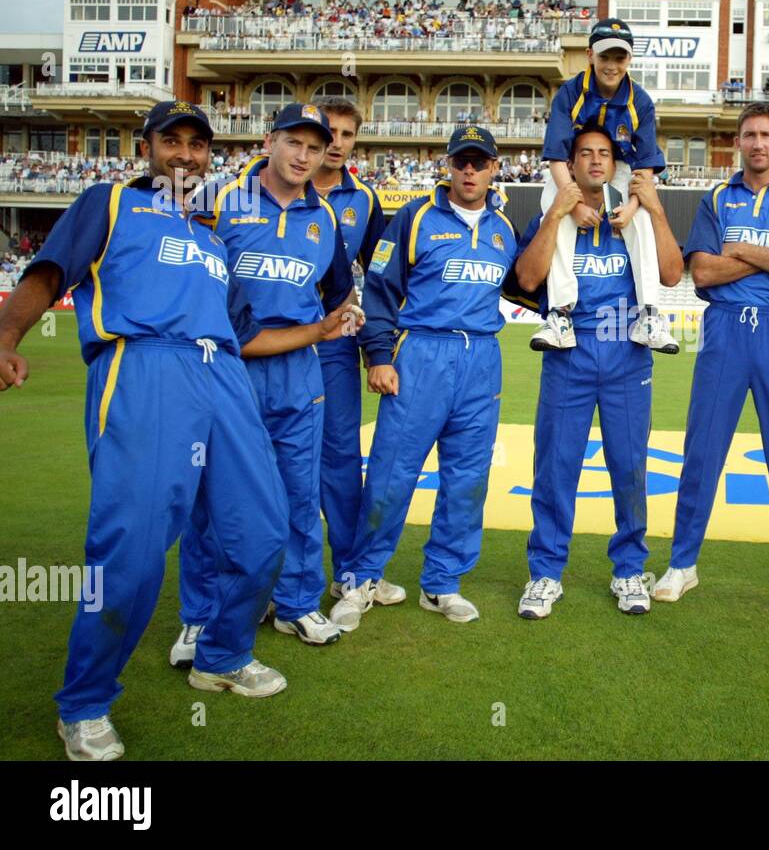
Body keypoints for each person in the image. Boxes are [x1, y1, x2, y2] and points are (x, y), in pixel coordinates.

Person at [0, 101, 341, 760]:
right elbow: (47, 273)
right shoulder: (108, 204)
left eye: (197, 145)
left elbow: (250, 336)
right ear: (147, 146)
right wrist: (8, 336)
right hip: (146, 368)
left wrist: (323, 331)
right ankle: (85, 702)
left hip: (226, 377)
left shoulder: (213, 239)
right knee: (131, 547)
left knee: (266, 531)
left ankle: (222, 654)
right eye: (172, 141)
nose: (185, 155)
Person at [179, 103, 359, 649]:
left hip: (298, 373)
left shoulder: (323, 216)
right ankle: (204, 612)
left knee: (299, 495)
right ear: (269, 141)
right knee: (213, 498)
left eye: (314, 146)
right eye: (294, 143)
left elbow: (337, 292)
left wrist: (338, 318)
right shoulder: (217, 201)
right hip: (228, 370)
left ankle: (296, 602)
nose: (304, 155)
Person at [329, 125, 519, 631]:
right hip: (422, 355)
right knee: (392, 474)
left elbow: (529, 285)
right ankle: (361, 578)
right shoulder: (416, 217)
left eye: (480, 162)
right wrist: (380, 356)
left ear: (495, 167)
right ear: (449, 165)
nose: (470, 171)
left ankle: (442, 582)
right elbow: (381, 287)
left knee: (468, 480)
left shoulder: (504, 227)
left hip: (482, 359)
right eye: (462, 161)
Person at [652, 102, 769, 607]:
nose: (758, 143)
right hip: (725, 332)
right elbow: (704, 274)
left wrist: (740, 251)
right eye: (749, 134)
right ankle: (682, 563)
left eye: (766, 135)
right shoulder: (716, 197)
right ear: (739, 142)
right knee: (702, 450)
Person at [508, 122, 683, 618]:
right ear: (572, 162)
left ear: (615, 162)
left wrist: (654, 208)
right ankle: (545, 573)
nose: (595, 160)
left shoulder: (633, 215)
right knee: (555, 470)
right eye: (584, 152)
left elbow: (672, 274)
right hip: (569, 354)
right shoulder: (554, 211)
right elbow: (526, 278)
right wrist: (557, 213)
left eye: (604, 152)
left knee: (629, 469)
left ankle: (629, 571)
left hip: (627, 353)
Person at [533, 19, 676, 354]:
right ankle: (560, 315)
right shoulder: (570, 93)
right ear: (590, 56)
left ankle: (650, 315)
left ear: (629, 60)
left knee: (640, 218)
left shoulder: (640, 101)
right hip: (572, 165)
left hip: (622, 167)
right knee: (554, 213)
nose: (612, 65)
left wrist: (632, 207)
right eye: (605, 56)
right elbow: (556, 156)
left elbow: (646, 166)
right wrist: (575, 203)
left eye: (619, 58)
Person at [306, 97, 397, 606]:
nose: (336, 144)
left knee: (342, 461)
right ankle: (271, 579)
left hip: (337, 344)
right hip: (270, 348)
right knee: (271, 461)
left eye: (346, 135)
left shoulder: (362, 199)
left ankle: (350, 573)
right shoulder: (263, 191)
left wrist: (378, 346)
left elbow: (381, 276)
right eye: (328, 133)